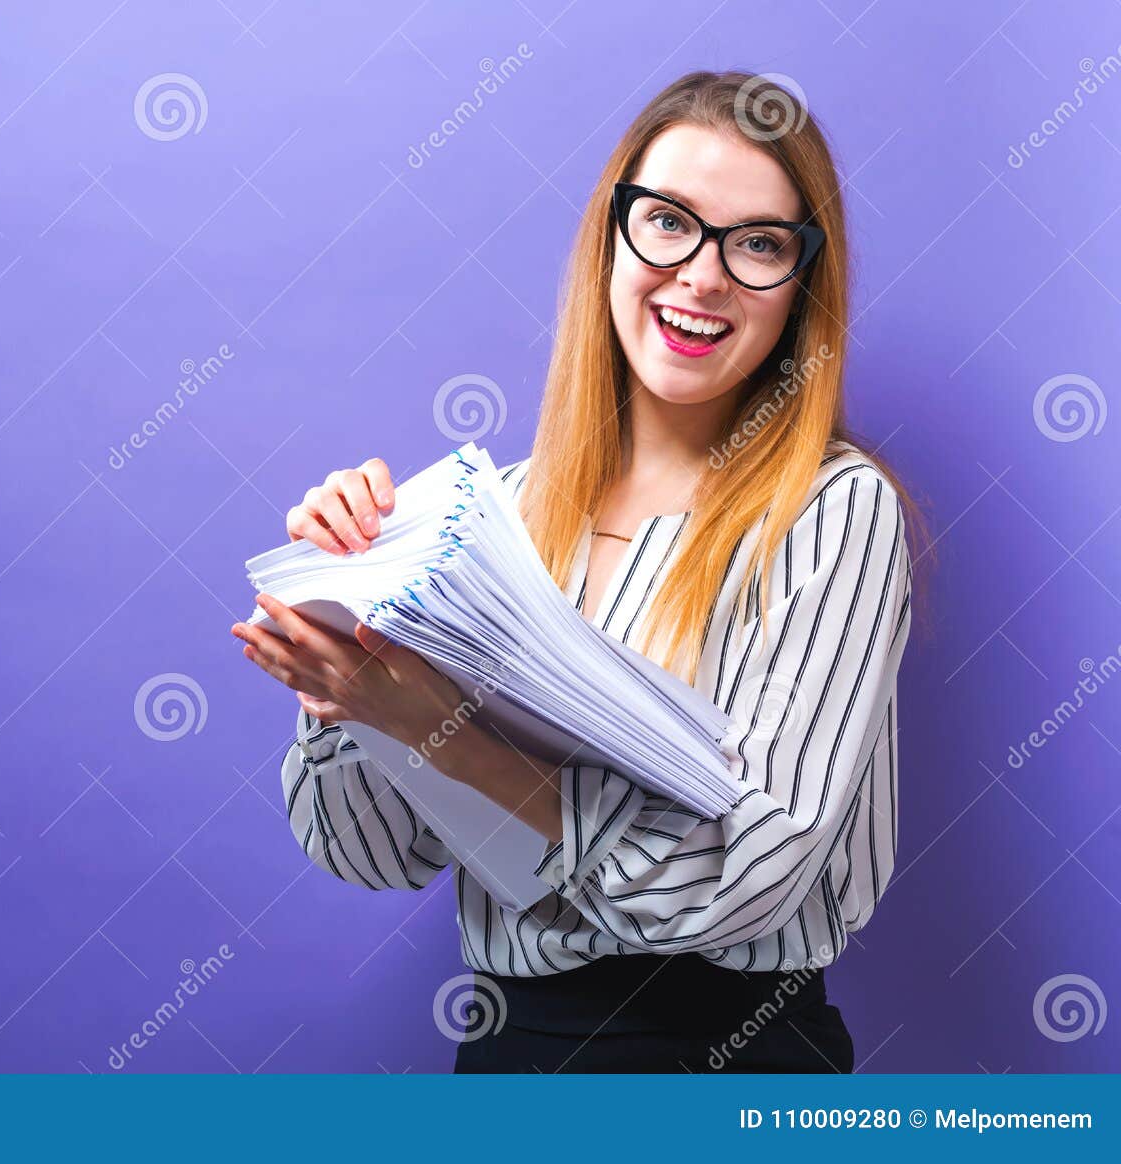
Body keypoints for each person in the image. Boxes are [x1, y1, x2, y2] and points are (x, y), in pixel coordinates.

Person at [230, 70, 928, 1073]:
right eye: (669, 223)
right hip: (511, 1056)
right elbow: (372, 855)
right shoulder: (488, 518)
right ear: (611, 238)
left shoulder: (831, 510)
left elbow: (744, 877)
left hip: (729, 1056)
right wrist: (343, 653)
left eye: (759, 243)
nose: (702, 275)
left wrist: (449, 736)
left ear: (801, 285)